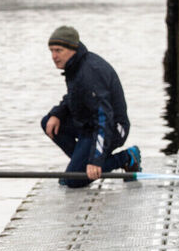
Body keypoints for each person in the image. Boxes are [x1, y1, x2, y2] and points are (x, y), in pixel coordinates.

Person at [41, 25, 140, 188]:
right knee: (48, 122)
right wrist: (57, 114)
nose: (54, 56)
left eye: (58, 50)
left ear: (73, 48)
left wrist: (96, 160)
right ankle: (80, 166)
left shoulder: (90, 72)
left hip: (112, 128)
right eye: (51, 51)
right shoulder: (75, 65)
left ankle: (127, 157)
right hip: (88, 125)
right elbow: (72, 97)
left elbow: (104, 118)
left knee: (73, 181)